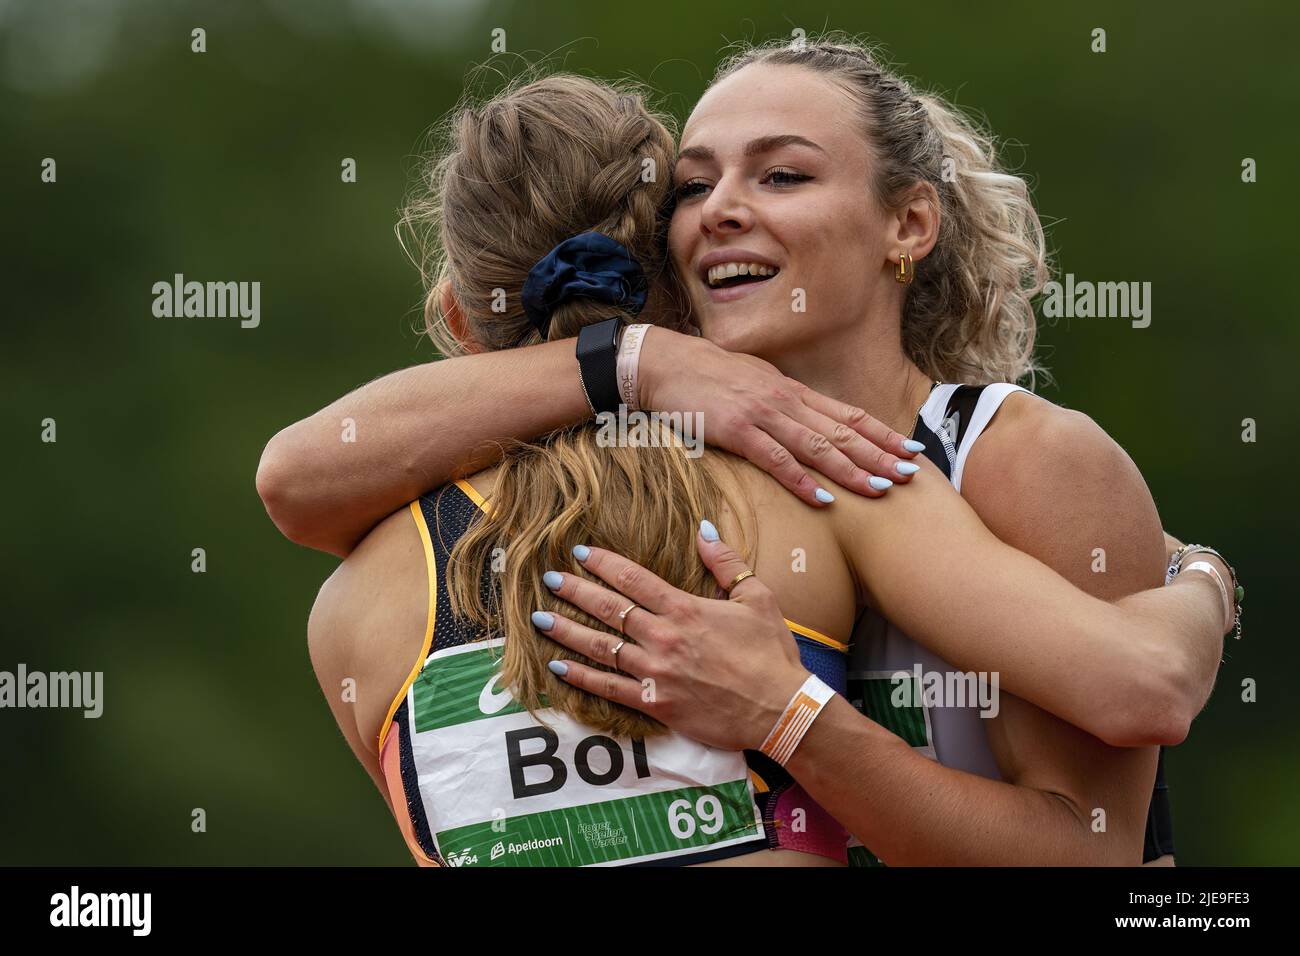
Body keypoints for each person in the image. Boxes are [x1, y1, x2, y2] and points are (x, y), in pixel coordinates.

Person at [267, 39, 1237, 865]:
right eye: (693, 186)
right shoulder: (740, 482)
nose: (722, 208)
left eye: (782, 173)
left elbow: (1108, 821)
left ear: (907, 223)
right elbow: (292, 477)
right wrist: (630, 360)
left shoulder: (1005, 457)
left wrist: (1200, 576)